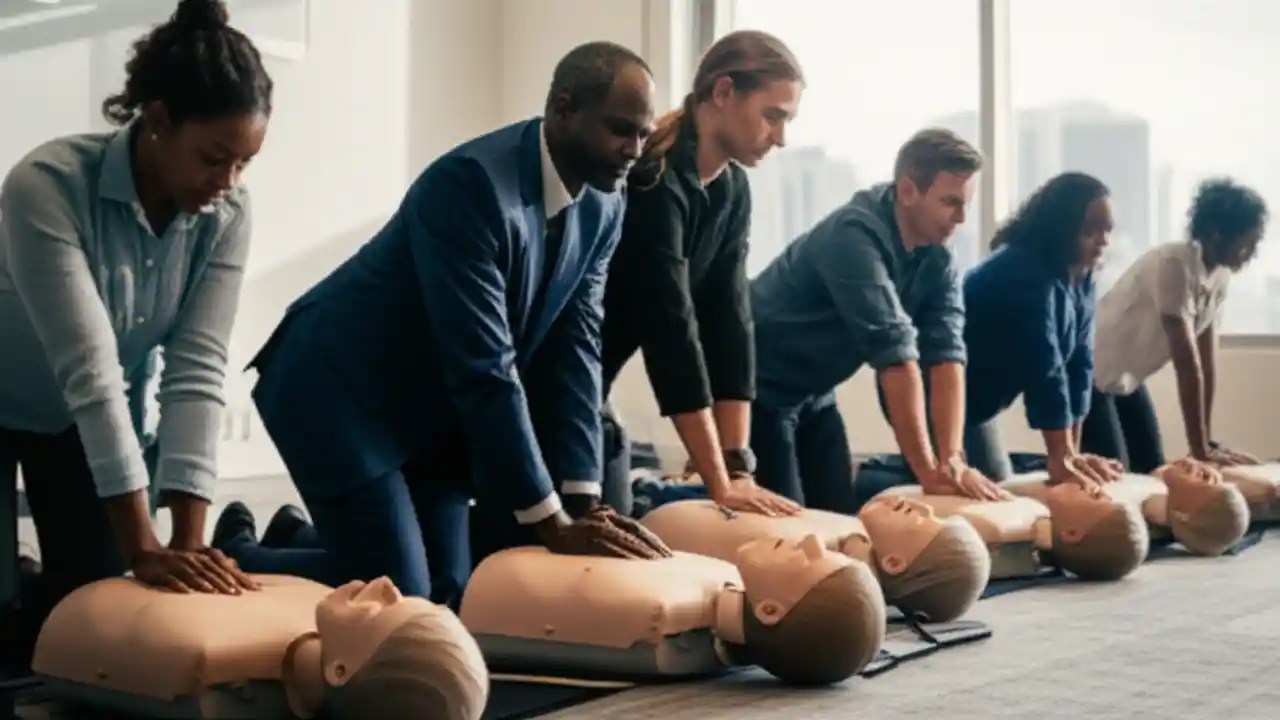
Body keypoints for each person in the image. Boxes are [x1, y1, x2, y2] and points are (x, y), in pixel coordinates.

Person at [214, 42, 667, 612]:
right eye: (620, 130)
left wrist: (582, 496)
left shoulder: (607, 202)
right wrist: (549, 519)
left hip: (432, 410)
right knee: (404, 596)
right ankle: (240, 552)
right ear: (562, 108)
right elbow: (485, 364)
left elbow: (578, 343)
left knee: (449, 593)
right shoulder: (470, 184)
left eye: (645, 134)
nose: (634, 151)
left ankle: (296, 539)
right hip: (338, 389)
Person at [0, 0, 270, 672]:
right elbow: (89, 369)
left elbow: (197, 371)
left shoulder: (225, 212)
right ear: (156, 120)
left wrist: (186, 544)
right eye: (213, 158)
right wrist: (143, 545)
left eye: (243, 163)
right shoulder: (46, 186)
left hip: (72, 425)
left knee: (98, 620)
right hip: (29, 395)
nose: (227, 182)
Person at [599, 30, 804, 518]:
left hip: (594, 383)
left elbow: (730, 323)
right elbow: (671, 331)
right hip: (549, 374)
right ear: (723, 92)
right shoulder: (653, 178)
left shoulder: (732, 189)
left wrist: (737, 466)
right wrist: (719, 483)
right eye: (772, 116)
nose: (781, 137)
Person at [748, 128, 1004, 514]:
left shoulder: (939, 258)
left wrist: (951, 458)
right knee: (788, 525)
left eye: (966, 203)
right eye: (950, 203)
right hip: (755, 388)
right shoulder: (852, 236)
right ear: (907, 192)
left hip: (816, 394)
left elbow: (947, 356)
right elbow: (895, 358)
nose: (962, 218)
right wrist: (927, 474)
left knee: (841, 521)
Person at [1084, 178, 1269, 473]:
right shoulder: (1175, 263)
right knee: (1114, 474)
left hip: (1126, 380)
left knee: (1152, 470)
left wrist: (1206, 443)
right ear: (1215, 234)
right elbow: (1187, 364)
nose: (1251, 253)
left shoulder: (1218, 277)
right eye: (1246, 243)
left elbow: (1207, 364)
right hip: (1088, 374)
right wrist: (1199, 450)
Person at [962, 172, 1123, 491]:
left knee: (997, 484)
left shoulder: (1082, 275)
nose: (1102, 241)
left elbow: (1078, 365)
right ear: (1062, 226)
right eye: (1090, 230)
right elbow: (1044, 371)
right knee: (983, 495)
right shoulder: (1022, 273)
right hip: (936, 393)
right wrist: (1059, 455)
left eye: (1107, 231)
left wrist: (1072, 454)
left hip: (979, 402)